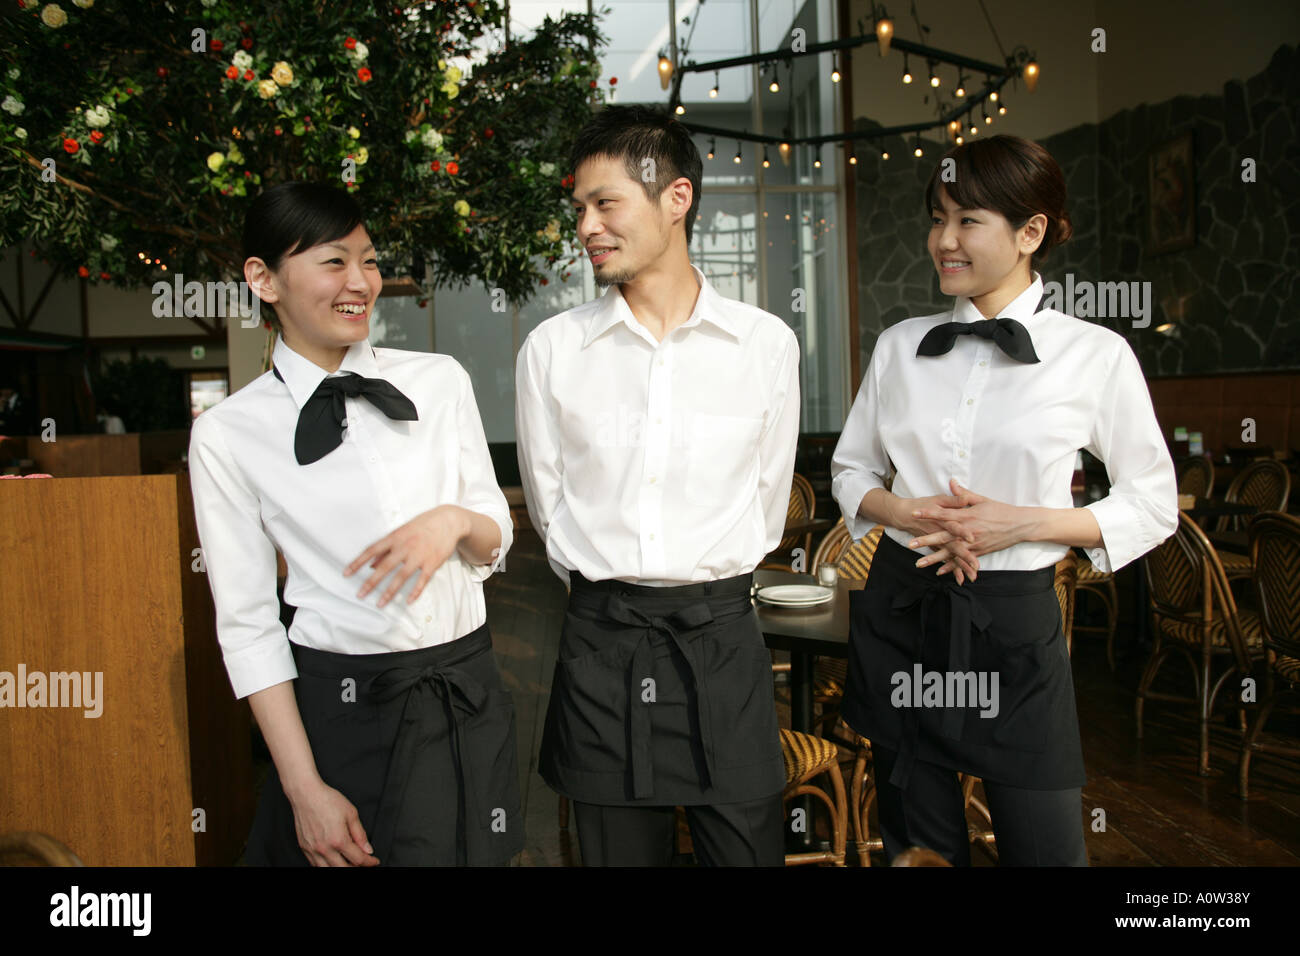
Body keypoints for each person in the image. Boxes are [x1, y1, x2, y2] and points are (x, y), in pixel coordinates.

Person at [830, 135, 1178, 866]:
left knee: (1045, 850)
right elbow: (851, 470)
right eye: (937, 218)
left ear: (1031, 233)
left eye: (967, 221)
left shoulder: (1095, 354)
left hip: (1014, 624)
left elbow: (1154, 501)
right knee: (918, 849)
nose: (942, 240)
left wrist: (1019, 523)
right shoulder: (899, 346)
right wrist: (909, 512)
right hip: (904, 612)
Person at [188, 182, 522, 866]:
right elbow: (248, 627)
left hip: (467, 692)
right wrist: (302, 787)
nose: (361, 282)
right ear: (263, 279)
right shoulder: (228, 434)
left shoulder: (440, 380)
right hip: (349, 713)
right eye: (334, 262)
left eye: (368, 261)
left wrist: (454, 521)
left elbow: (497, 531)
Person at [515, 105, 801, 866]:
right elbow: (549, 508)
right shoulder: (553, 349)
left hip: (723, 642)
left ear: (676, 200)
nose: (586, 226)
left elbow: (767, 500)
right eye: (579, 207)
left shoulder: (765, 345)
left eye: (605, 203)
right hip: (601, 646)